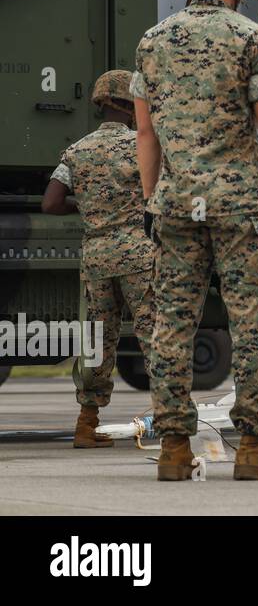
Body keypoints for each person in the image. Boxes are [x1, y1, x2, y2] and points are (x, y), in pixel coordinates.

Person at [132, 0, 258, 480]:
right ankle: (254, 448)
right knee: (250, 322)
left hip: (176, 204)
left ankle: (174, 449)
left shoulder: (152, 42)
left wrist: (149, 200)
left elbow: (146, 136)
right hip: (241, 205)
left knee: (171, 325)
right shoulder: (253, 40)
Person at [42, 70, 156, 448]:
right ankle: (170, 420)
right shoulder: (142, 144)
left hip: (96, 260)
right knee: (156, 337)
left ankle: (86, 425)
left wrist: (89, 207)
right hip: (139, 256)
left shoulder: (76, 151)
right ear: (130, 104)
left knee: (97, 342)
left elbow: (51, 203)